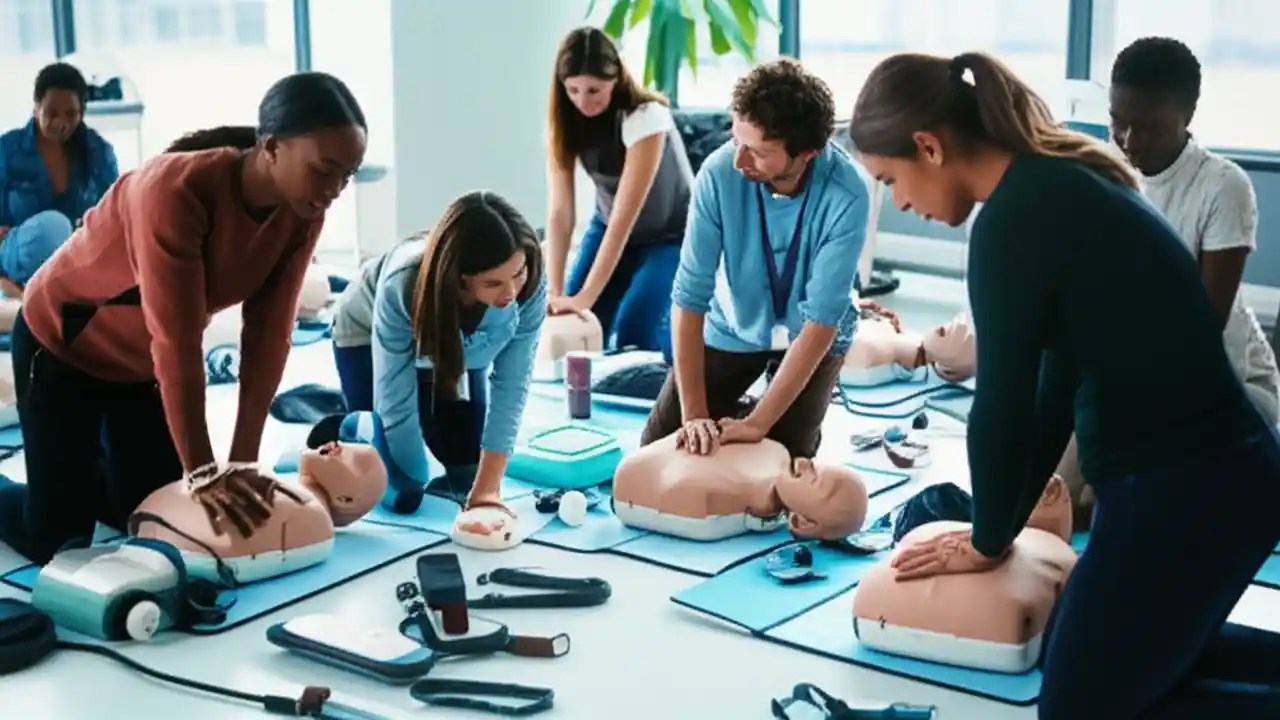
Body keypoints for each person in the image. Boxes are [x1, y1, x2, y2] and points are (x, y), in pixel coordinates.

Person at [849, 51, 1280, 718]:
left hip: (1188, 491)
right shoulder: (1053, 184)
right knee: (1109, 661)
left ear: (927, 147)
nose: (898, 202)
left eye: (889, 180)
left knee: (1075, 708)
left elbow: (1003, 403)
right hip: (1210, 481)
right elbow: (1054, 390)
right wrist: (1000, 526)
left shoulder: (1016, 218)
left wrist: (986, 539)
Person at [0, 71, 368, 565]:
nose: (335, 189)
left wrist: (241, 462)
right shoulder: (175, 190)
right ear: (274, 147)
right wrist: (201, 470)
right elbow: (177, 342)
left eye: (347, 174)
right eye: (325, 169)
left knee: (150, 513)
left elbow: (269, 334)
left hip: (136, 369)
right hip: (61, 348)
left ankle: (81, 466)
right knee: (59, 540)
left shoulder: (303, 210)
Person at [639, 58, 870, 460]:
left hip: (811, 336)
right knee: (661, 448)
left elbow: (819, 323)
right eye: (737, 141)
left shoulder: (847, 193)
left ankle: (757, 414)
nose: (739, 161)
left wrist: (757, 423)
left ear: (807, 155)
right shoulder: (718, 174)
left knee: (781, 460)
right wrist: (694, 415)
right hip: (732, 324)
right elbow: (689, 296)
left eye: (759, 152)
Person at [1110, 36, 1279, 425]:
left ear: (1187, 116)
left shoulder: (1222, 187)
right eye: (1119, 122)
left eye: (1148, 128)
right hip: (1138, 366)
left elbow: (1200, 331)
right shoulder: (1106, 167)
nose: (1130, 142)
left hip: (1231, 383)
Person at [356, 191, 546, 515]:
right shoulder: (401, 286)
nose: (512, 292)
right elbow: (395, 402)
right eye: (494, 282)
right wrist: (415, 480)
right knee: (402, 484)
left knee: (466, 466)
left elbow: (512, 386)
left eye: (518, 273)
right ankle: (345, 422)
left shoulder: (527, 287)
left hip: (462, 346)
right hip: (365, 333)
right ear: (460, 281)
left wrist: (488, 490)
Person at [543, 26, 694, 361]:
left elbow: (625, 219)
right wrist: (557, 293)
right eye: (573, 90)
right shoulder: (564, 125)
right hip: (607, 224)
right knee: (573, 324)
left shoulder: (646, 117)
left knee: (633, 329)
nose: (584, 101)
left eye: (594, 90)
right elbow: (560, 214)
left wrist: (585, 297)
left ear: (615, 79)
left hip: (671, 236)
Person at [0, 63, 120, 298]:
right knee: (53, 227)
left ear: (82, 112)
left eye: (70, 114)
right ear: (36, 107)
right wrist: (4, 283)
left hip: (78, 258)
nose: (60, 123)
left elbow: (115, 218)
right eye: (51, 113)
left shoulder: (99, 153)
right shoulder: (6, 151)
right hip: (22, 257)